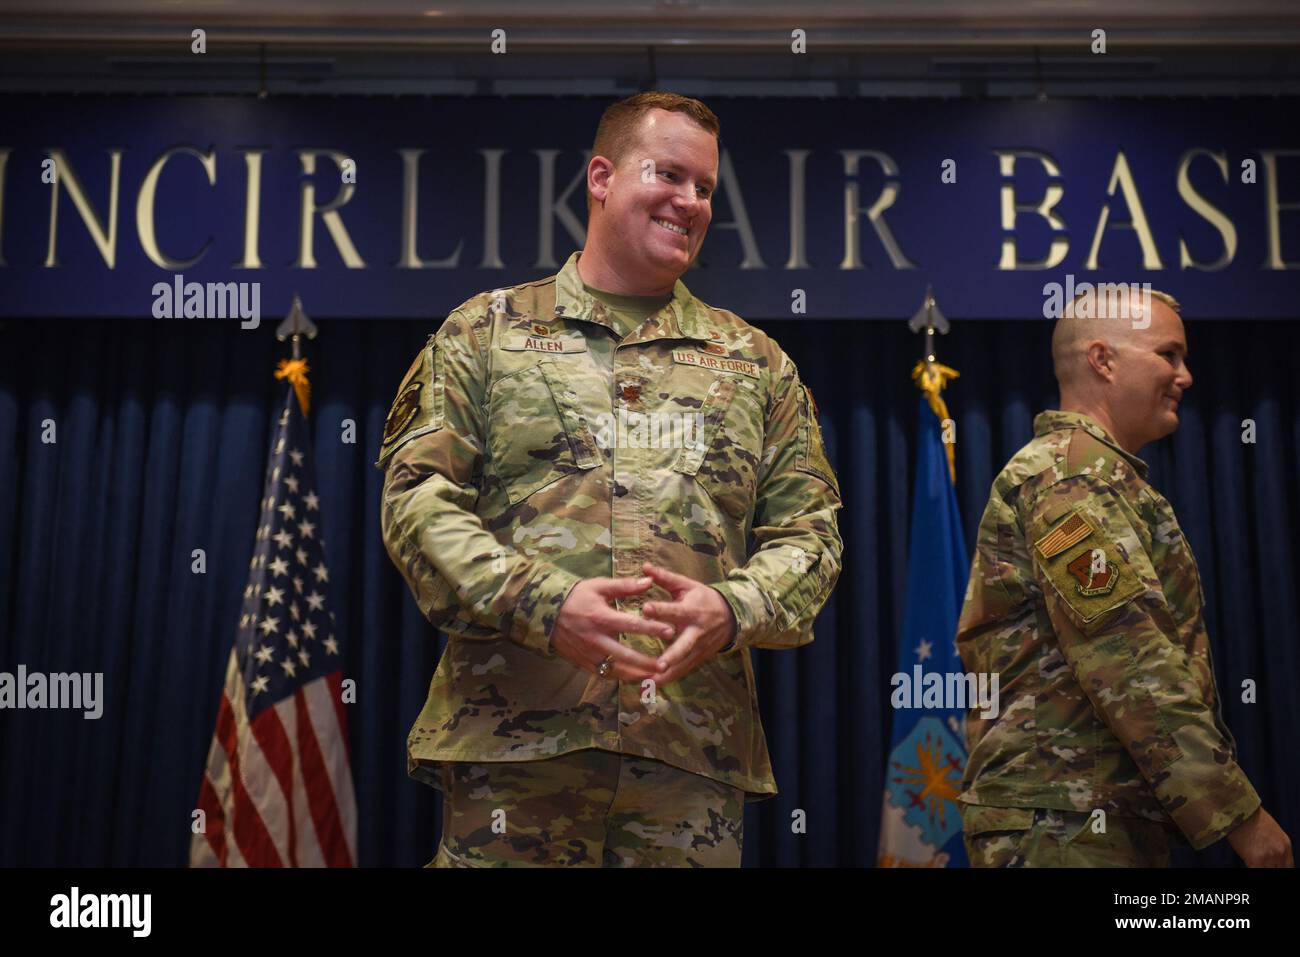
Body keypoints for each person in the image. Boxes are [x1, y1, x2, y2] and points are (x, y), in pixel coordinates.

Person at [375, 91, 843, 867]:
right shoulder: (485, 332)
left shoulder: (756, 363)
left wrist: (734, 608)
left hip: (689, 761)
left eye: (704, 188)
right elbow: (416, 499)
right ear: (601, 177)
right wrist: (541, 601)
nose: (689, 201)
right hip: (515, 749)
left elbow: (814, 534)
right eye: (669, 174)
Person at [955, 287, 1293, 867]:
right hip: (1062, 822)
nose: (1185, 377)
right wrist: (1241, 818)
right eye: (1169, 355)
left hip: (1085, 814)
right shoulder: (1068, 476)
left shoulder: (1098, 475)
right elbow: (1127, 660)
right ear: (1103, 360)